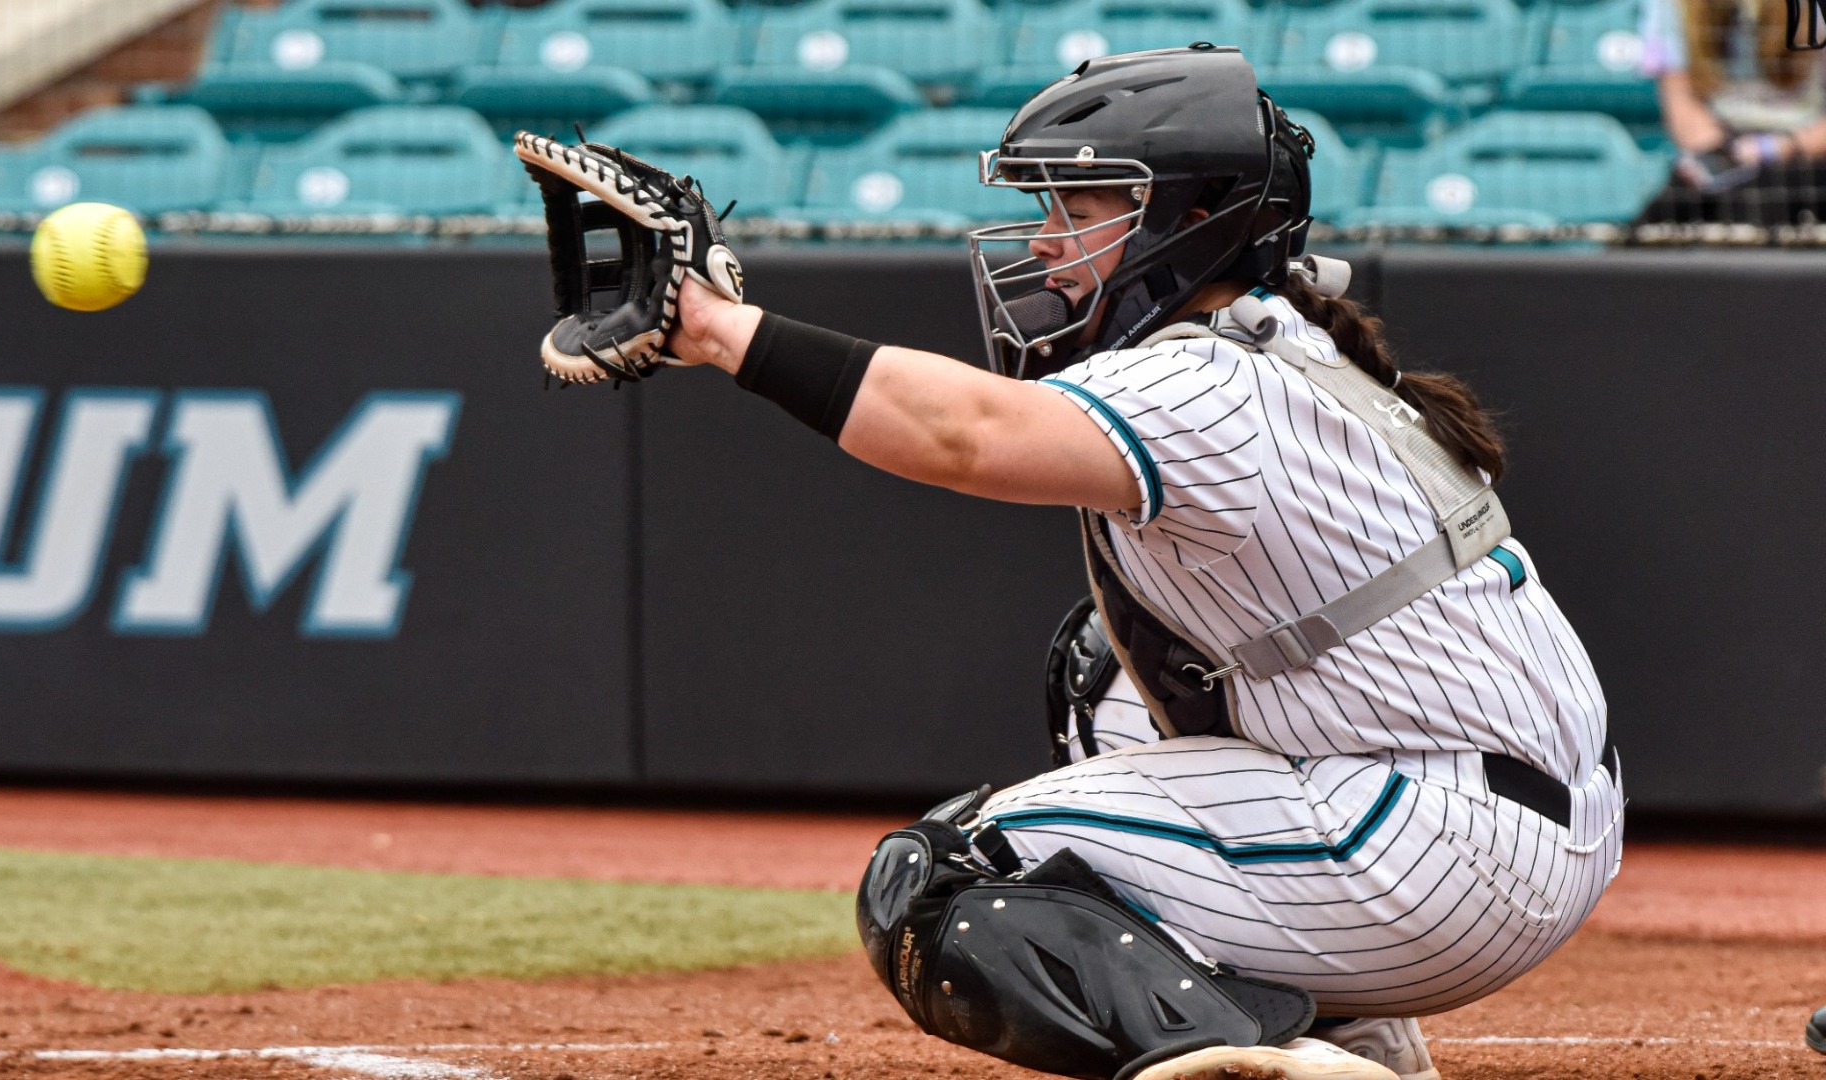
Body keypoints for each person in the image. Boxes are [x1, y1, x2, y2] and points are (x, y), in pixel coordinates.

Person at [533, 45, 1623, 1080]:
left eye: (1082, 207)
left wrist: (723, 331)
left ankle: (1268, 1069)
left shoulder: (1205, 382)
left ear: (1195, 217)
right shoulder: (1282, 338)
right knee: (1105, 671)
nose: (1047, 239)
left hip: (1431, 857)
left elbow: (967, 435)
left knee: (941, 884)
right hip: (1511, 824)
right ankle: (1362, 1039)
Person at [1637, 0, 1826, 226]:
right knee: (1659, 221)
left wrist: (1782, 146)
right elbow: (1681, 106)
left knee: (1757, 203)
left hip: (1807, 153)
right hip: (1724, 148)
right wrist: (1727, 156)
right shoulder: (1674, 5)